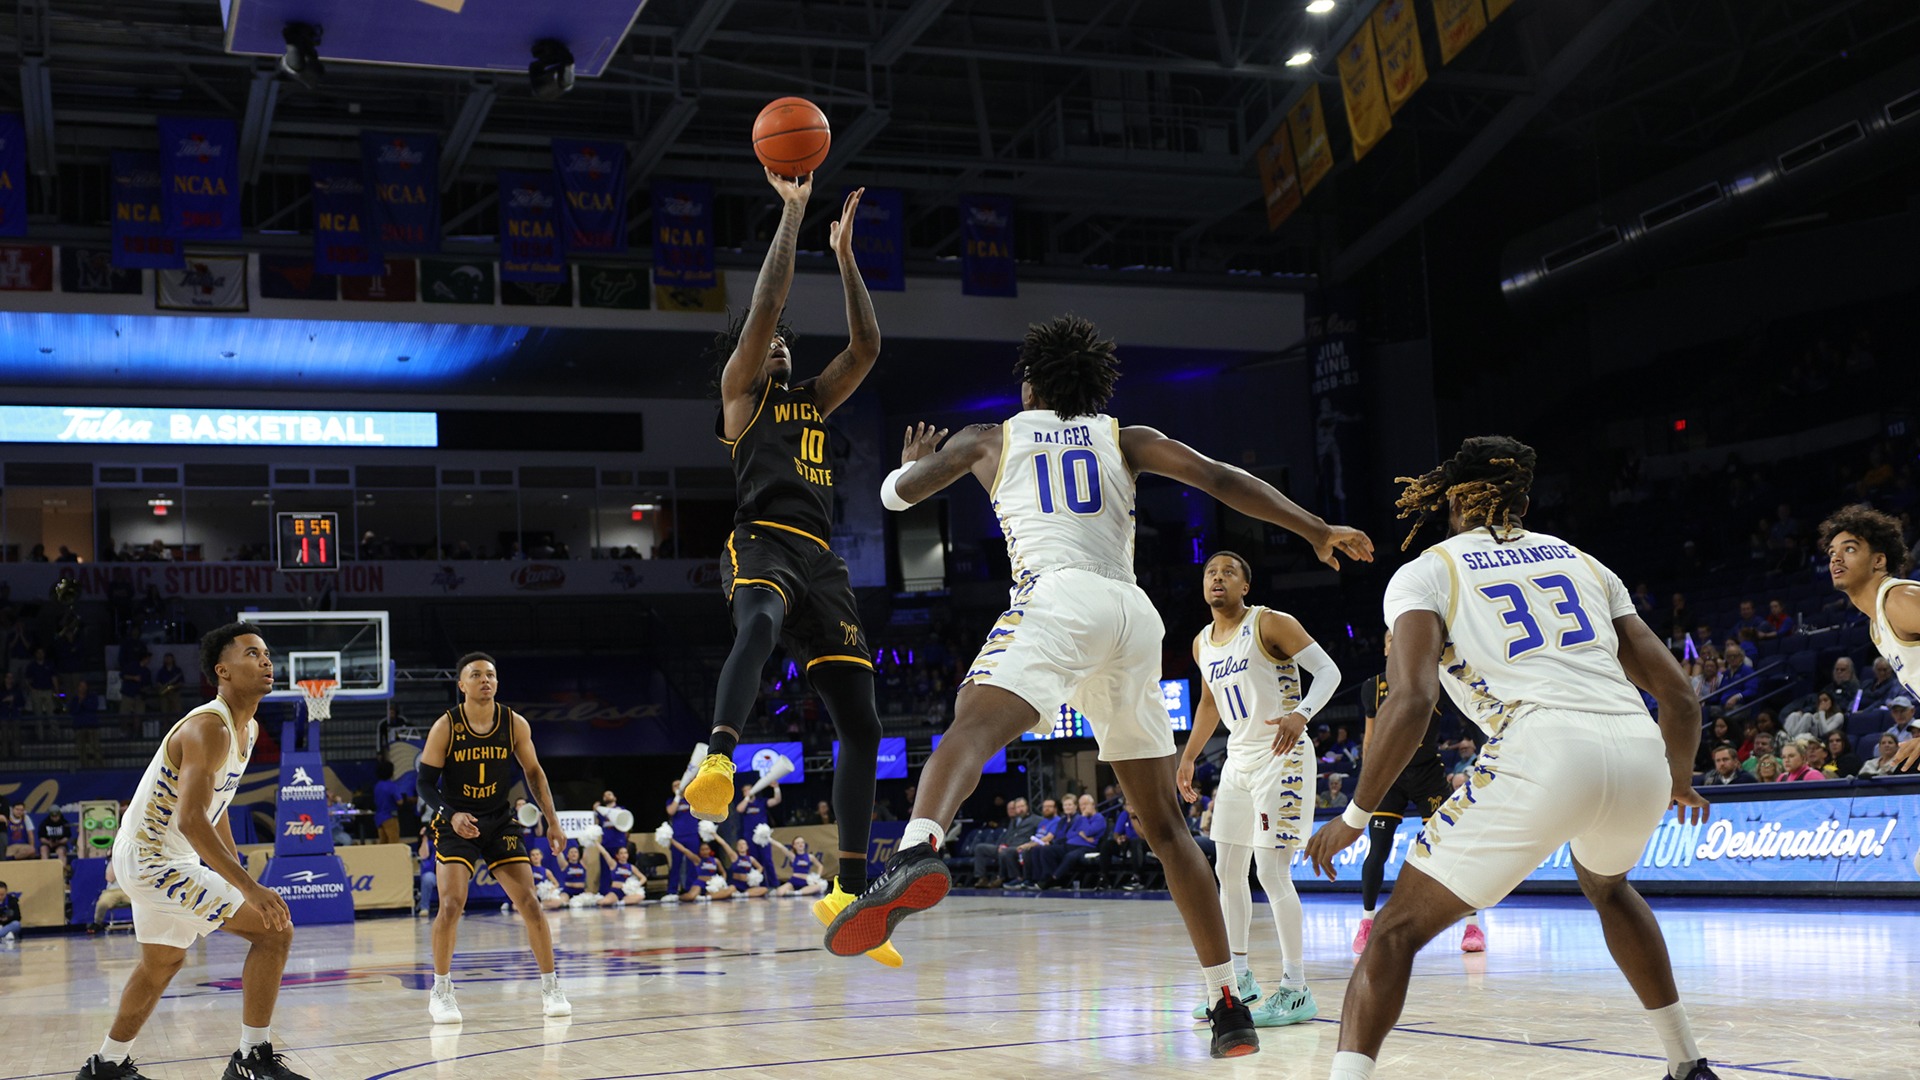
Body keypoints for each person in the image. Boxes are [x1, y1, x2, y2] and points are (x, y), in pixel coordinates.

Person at [822, 314, 1373, 1058]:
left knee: (972, 723)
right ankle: (1228, 1005)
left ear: (1029, 386)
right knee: (1167, 830)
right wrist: (1313, 529)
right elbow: (1220, 478)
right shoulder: (1125, 437)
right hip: (1132, 614)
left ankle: (915, 849)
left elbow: (895, 497)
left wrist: (911, 464)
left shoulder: (988, 437)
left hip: (1057, 598)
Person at [1300, 436, 1719, 1080]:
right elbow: (1680, 697)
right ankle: (1688, 1064)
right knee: (1608, 887)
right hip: (1639, 747)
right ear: (1524, 499)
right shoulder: (1585, 563)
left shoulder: (1428, 571)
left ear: (1452, 499)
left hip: (1543, 745)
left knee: (1394, 932)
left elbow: (1411, 700)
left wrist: (1355, 815)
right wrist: (1679, 779)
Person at [682, 175, 892, 962]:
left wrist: (845, 258)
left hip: (823, 560)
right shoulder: (742, 396)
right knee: (762, 620)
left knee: (863, 724)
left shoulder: (812, 399)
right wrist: (793, 214)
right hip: (762, 539)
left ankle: (848, 889)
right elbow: (767, 306)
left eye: (782, 342)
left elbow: (866, 350)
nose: (776, 343)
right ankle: (717, 759)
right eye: (765, 339)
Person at [75, 622, 313, 1080]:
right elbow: (190, 819)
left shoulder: (247, 729)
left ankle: (105, 1065)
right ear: (222, 671)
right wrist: (249, 888)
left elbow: (213, 807)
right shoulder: (208, 727)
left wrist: (234, 870)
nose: (265, 660)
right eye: (251, 653)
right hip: (152, 859)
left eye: (266, 653)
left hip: (163, 857)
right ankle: (251, 1059)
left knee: (161, 963)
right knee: (274, 932)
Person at [1176, 551, 1336, 1028]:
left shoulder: (1270, 623)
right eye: (1210, 572)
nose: (1217, 578)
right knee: (1227, 869)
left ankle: (1296, 989)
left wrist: (1301, 713)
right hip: (1238, 761)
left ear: (1245, 586)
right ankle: (1240, 978)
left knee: (1271, 871)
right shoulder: (1202, 642)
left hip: (1282, 755)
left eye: (1228, 572)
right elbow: (1209, 702)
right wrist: (1188, 755)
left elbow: (1329, 672)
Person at [414, 652, 570, 1023]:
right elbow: (424, 783)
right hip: (457, 822)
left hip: (499, 820)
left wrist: (552, 820)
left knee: (529, 902)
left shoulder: (513, 723)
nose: (485, 680)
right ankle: (441, 991)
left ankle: (551, 988)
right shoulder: (446, 726)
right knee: (451, 904)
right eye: (476, 675)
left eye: (491, 675)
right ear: (461, 684)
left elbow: (534, 773)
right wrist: (451, 815)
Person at [1350, 629, 1487, 951]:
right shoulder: (1372, 686)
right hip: (1389, 775)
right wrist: (1368, 781)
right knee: (1378, 850)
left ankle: (1472, 928)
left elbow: (1471, 717)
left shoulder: (1435, 681)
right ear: (1385, 649)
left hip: (1428, 774)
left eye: (1402, 638)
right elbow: (1369, 740)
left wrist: (1483, 751)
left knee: (1450, 846)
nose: (1396, 644)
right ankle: (1367, 923)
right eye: (1390, 640)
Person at [1820, 504, 1920, 772]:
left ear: (1878, 560)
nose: (1836, 559)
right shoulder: (1877, 625)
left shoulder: (1898, 600)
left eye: (1849, 549)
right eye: (1832, 553)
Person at [971, 796, 1037, 888]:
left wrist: (1030, 844)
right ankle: (982, 878)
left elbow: (1040, 835)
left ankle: (1005, 878)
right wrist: (1003, 845)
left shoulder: (1036, 820)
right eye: (1018, 807)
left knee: (1006, 852)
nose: (1020, 809)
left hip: (1019, 848)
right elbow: (1008, 835)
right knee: (980, 848)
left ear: (1027, 806)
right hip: (1007, 846)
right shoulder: (1014, 820)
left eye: (1022, 806)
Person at [373, 758, 410, 846]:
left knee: (383, 842)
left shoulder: (377, 786)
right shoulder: (392, 786)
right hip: (390, 816)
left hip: (379, 817)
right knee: (394, 842)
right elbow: (400, 801)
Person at [89, 861, 132, 932]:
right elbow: (110, 878)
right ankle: (97, 923)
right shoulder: (112, 863)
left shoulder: (131, 861)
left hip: (129, 890)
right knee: (102, 903)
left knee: (139, 901)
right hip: (112, 891)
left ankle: (142, 923)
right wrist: (115, 863)